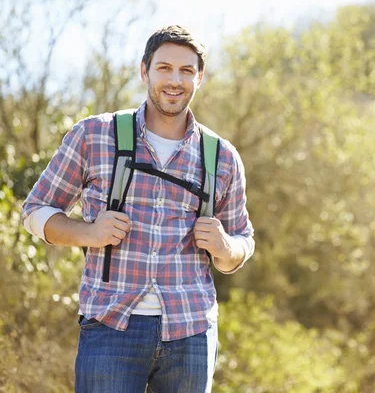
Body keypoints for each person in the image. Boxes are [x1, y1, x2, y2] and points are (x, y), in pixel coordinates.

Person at [21, 25, 254, 392]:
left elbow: (242, 242)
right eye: (164, 68)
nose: (175, 80)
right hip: (111, 328)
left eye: (186, 71)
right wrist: (88, 232)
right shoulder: (94, 135)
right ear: (144, 71)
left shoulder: (221, 156)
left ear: (200, 77)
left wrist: (226, 246)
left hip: (192, 331)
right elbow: (35, 211)